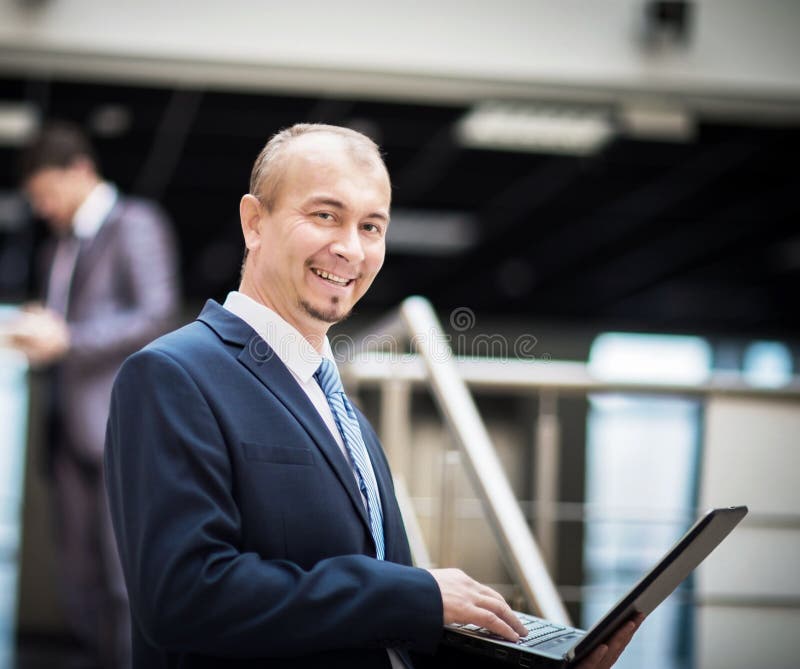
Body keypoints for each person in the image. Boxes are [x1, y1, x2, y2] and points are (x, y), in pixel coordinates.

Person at [104, 123, 640, 669]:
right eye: (325, 216)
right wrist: (415, 595)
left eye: (371, 226)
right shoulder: (172, 374)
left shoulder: (345, 413)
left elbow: (377, 637)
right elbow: (184, 596)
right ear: (254, 222)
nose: (350, 249)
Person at [12, 121, 180, 669]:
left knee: (121, 578)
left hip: (116, 429)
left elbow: (156, 315)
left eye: (47, 193)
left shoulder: (135, 223)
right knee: (79, 580)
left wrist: (69, 338)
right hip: (65, 430)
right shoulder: (58, 248)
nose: (43, 207)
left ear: (80, 171)